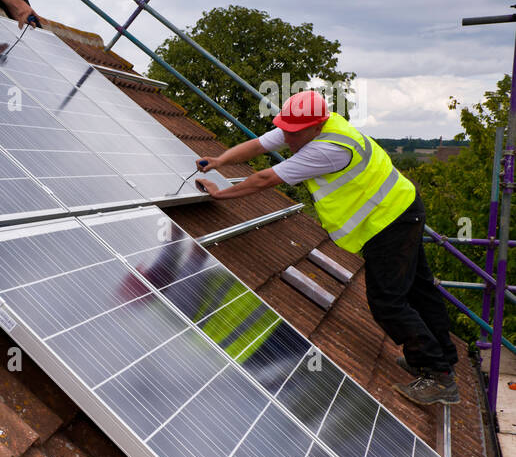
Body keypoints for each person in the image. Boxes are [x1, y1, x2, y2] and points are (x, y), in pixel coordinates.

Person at [195, 90, 460, 406]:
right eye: (286, 129)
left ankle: (437, 375)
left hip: (389, 221)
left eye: (294, 132)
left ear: (315, 126)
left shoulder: (328, 149)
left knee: (386, 301)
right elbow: (260, 144)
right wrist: (220, 160)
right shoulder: (307, 123)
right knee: (419, 289)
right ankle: (440, 356)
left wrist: (221, 193)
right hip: (400, 208)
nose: (288, 137)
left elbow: (266, 178)